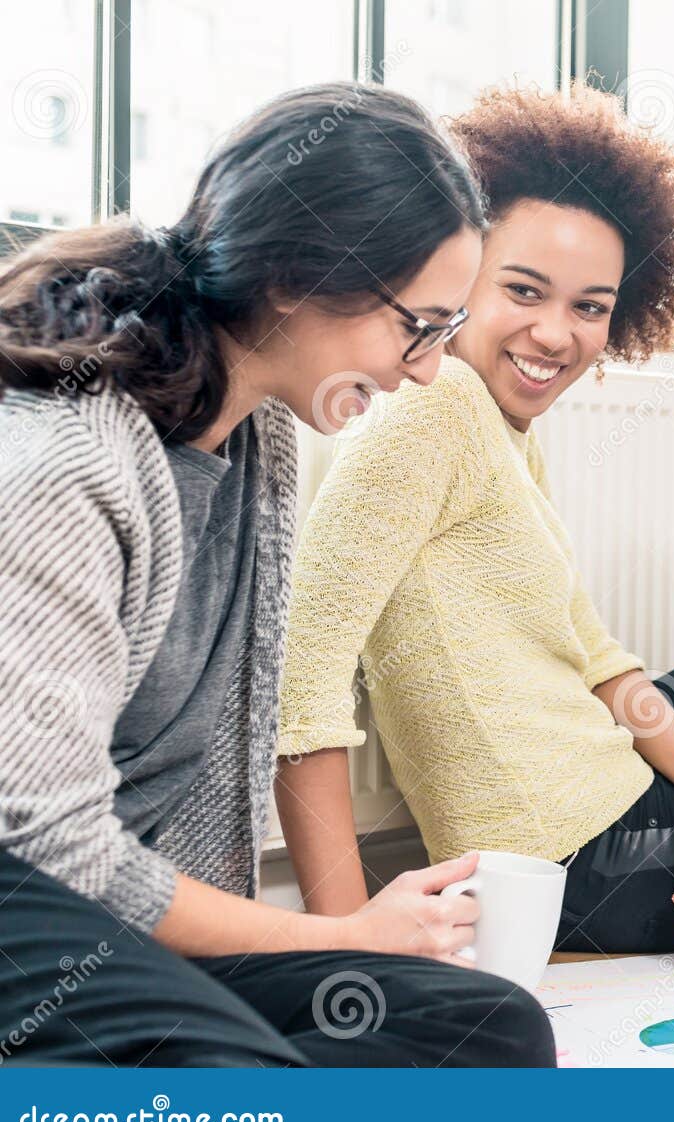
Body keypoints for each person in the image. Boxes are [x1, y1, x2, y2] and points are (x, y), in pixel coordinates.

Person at [0, 83, 553, 1067]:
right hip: (34, 919)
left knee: (491, 1022)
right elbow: (51, 853)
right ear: (300, 277)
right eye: (417, 325)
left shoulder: (262, 440)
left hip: (130, 932)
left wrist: (328, 951)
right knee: (244, 1074)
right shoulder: (62, 469)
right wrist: (338, 937)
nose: (428, 369)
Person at [276, 84, 674, 956]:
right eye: (525, 290)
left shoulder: (502, 426)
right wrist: (354, 947)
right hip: (577, 861)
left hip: (600, 777)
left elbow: (599, 661)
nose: (555, 333)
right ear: (460, 275)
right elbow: (301, 680)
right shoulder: (430, 409)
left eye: (589, 306)